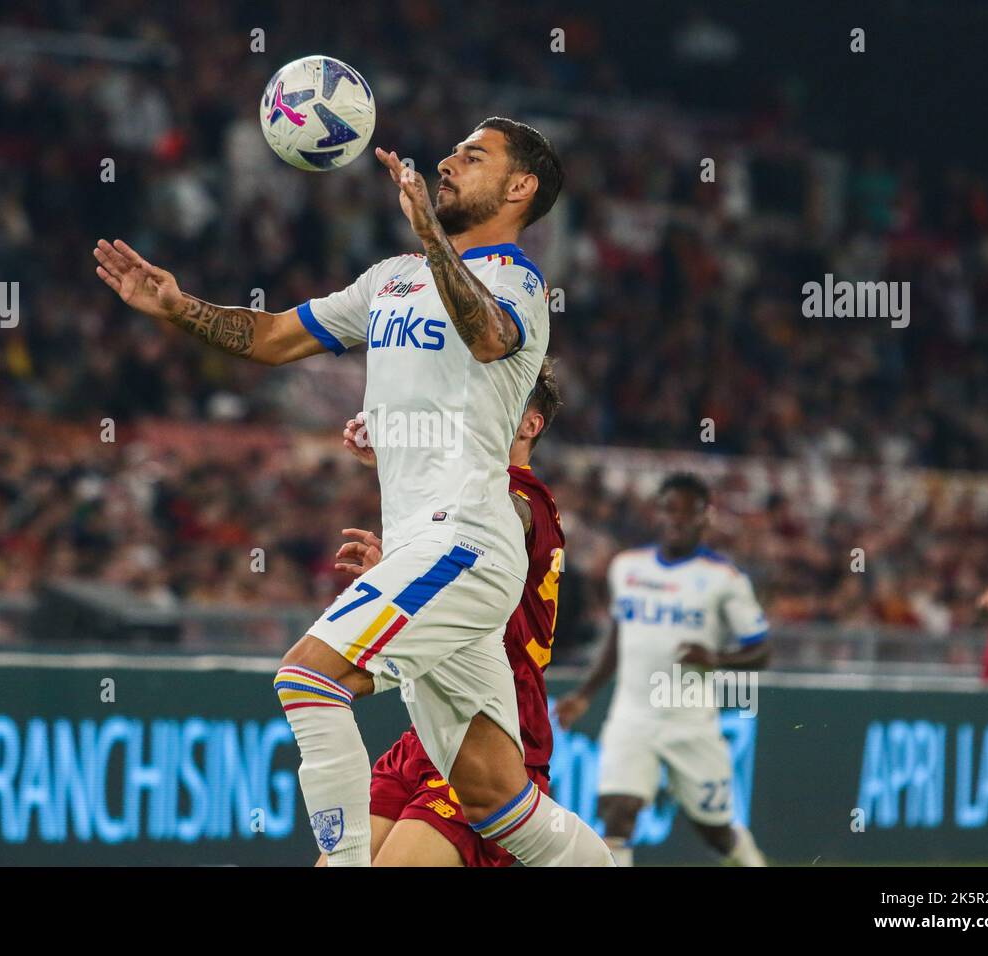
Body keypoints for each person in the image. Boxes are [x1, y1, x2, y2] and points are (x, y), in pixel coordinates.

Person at [95, 117, 612, 866]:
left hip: (465, 536)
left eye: (474, 155)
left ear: (520, 188)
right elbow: (273, 338)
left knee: (309, 678)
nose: (447, 160)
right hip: (425, 546)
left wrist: (435, 238)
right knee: (501, 806)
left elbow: (489, 338)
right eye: (454, 150)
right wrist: (181, 307)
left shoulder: (518, 283)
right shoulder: (389, 280)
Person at [318, 358, 564, 866]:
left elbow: (476, 539)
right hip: (431, 724)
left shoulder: (521, 501)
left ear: (529, 424)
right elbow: (453, 566)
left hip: (493, 727)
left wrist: (403, 453)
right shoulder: (474, 499)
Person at [557, 473, 769, 866]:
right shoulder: (628, 568)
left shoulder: (725, 579)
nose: (677, 520)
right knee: (618, 812)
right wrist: (585, 694)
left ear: (706, 518)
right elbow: (618, 642)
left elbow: (761, 651)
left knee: (716, 831)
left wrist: (718, 659)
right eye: (670, 509)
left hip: (690, 721)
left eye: (689, 513)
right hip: (632, 715)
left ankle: (751, 860)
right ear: (658, 513)